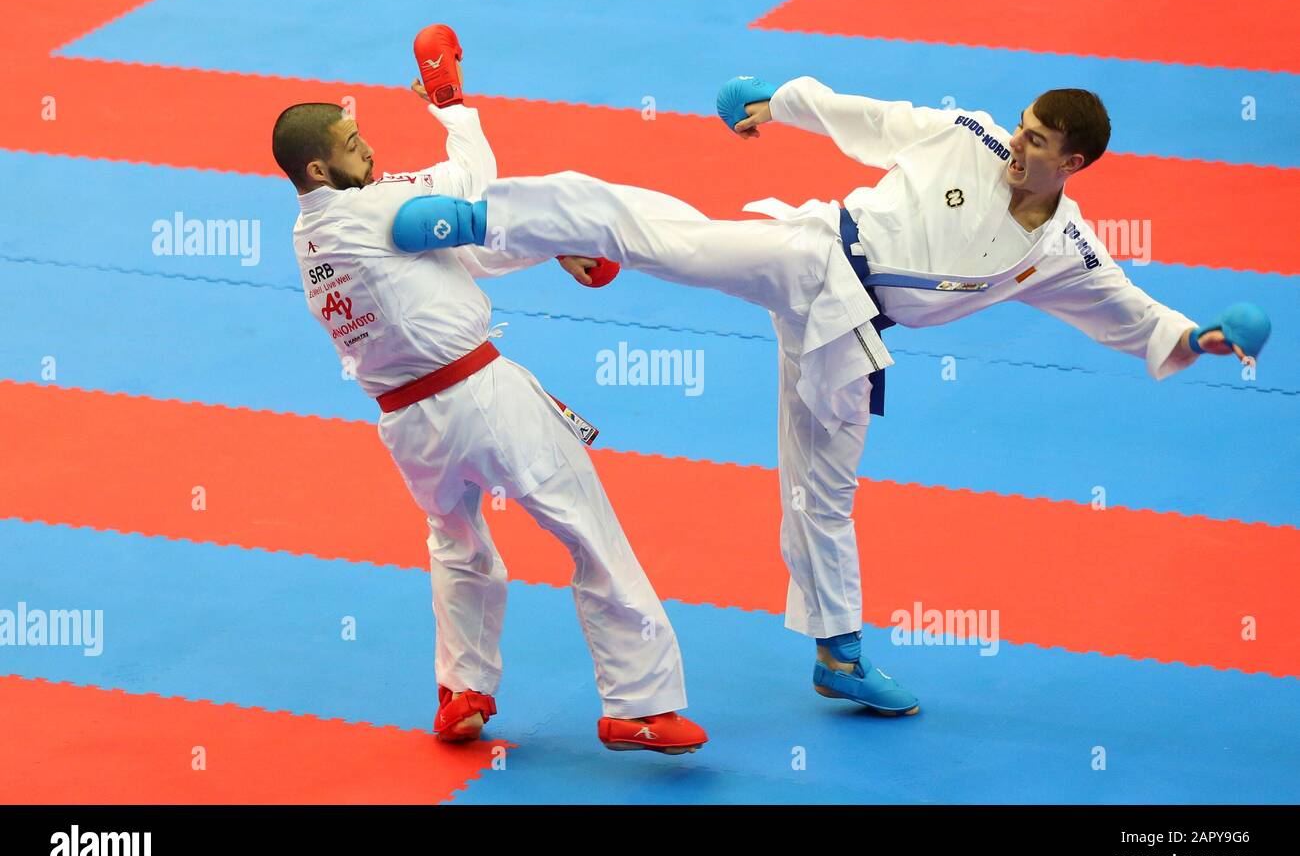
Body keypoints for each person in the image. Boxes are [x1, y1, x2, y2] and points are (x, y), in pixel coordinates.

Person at [390, 73, 1270, 719]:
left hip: (852, 331)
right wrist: (778, 102)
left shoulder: (1065, 250)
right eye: (1024, 126)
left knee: (824, 486)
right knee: (671, 239)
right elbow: (873, 118)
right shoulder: (970, 134)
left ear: (1073, 163)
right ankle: (486, 221)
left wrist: (1199, 338)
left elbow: (1132, 313)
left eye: (1039, 142)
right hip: (813, 250)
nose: (1019, 145)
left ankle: (838, 654)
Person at [269, 25, 707, 754]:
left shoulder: (315, 235)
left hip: (408, 425)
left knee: (456, 543)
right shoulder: (378, 212)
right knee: (587, 530)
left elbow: (455, 248)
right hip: (482, 396)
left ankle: (463, 690)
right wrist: (455, 108)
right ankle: (640, 703)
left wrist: (538, 237)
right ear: (318, 164)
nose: (368, 148)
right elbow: (475, 197)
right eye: (352, 143)